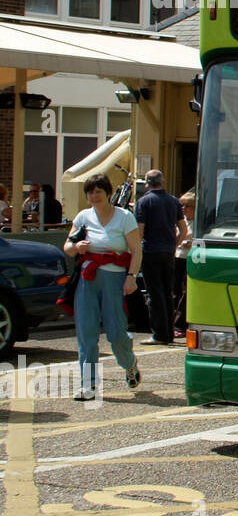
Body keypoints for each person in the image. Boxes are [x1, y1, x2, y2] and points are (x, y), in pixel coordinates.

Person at [63, 173, 142, 400]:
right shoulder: (83, 217)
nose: (94, 196)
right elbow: (68, 247)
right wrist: (78, 247)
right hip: (88, 280)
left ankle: (129, 364)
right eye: (90, 192)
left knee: (116, 333)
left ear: (108, 193)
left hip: (115, 279)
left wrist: (131, 277)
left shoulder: (124, 217)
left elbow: (136, 250)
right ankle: (88, 386)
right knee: (86, 333)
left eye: (98, 191)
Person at [134, 169, 188, 346]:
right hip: (168, 252)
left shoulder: (144, 202)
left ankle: (159, 334)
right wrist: (174, 243)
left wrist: (135, 249)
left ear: (147, 184)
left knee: (154, 293)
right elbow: (183, 229)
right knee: (167, 292)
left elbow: (140, 230)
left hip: (150, 251)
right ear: (162, 182)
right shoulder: (173, 201)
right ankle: (169, 333)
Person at [172, 190, 196, 340]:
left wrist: (191, 243)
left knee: (187, 292)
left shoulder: (199, 222)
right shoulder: (181, 222)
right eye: (181, 205)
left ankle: (180, 324)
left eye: (187, 206)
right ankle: (174, 322)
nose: (183, 208)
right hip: (178, 257)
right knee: (175, 291)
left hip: (190, 258)